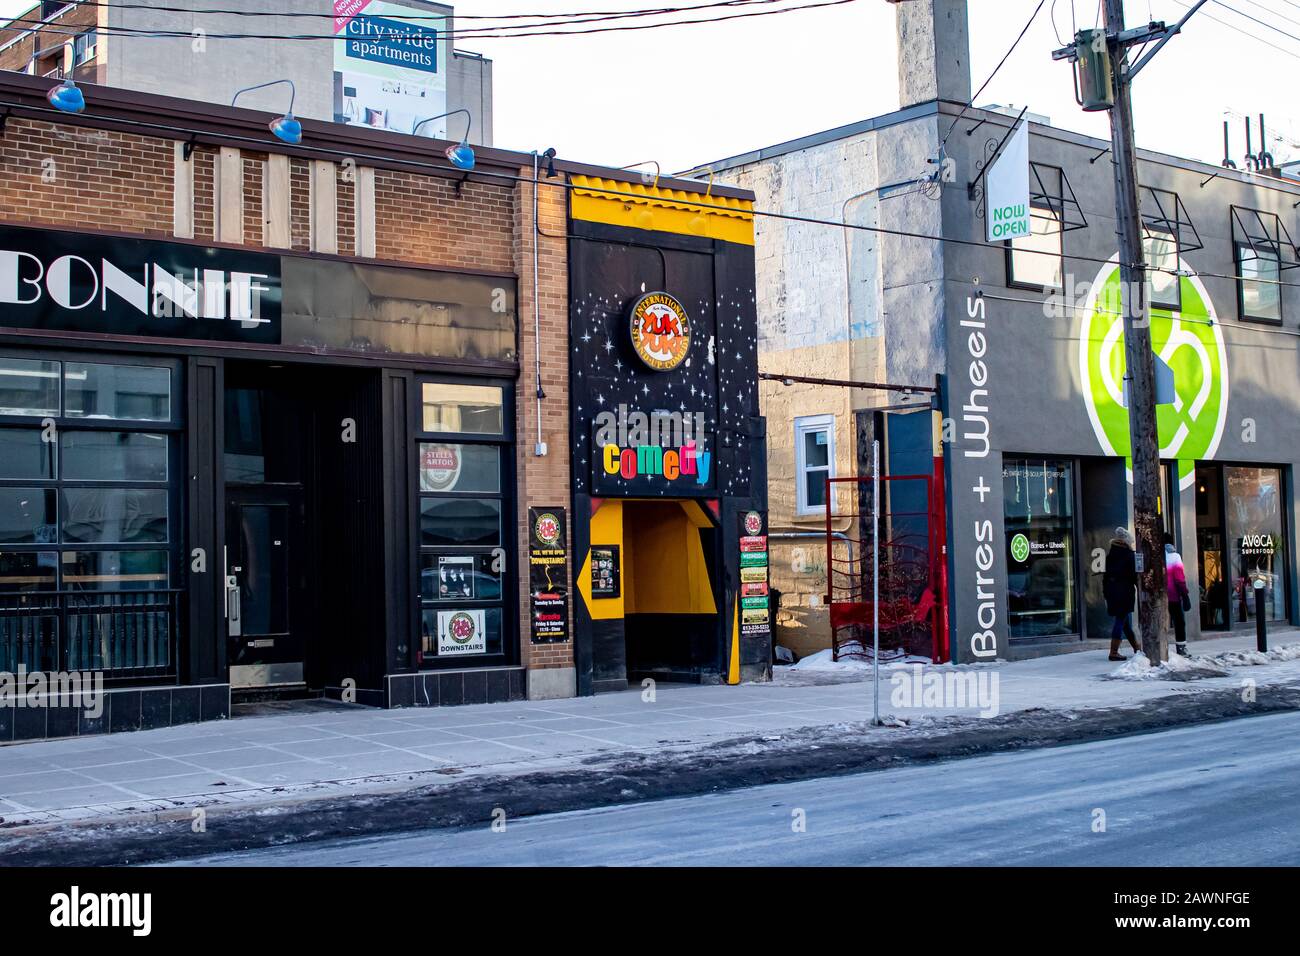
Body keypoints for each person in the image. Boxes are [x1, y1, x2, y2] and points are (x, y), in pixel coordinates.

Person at [1102, 526, 1139, 661]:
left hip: (1112, 592)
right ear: (1127, 542)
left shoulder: (1110, 556)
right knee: (1120, 620)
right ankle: (1113, 651)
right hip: (1125, 593)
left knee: (1125, 622)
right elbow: (1134, 576)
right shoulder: (1129, 556)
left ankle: (1137, 648)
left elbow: (1105, 577)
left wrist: (1106, 593)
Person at [1165, 532, 1191, 656]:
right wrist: (1185, 595)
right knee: (1179, 622)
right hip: (1173, 595)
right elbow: (1179, 579)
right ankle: (1181, 649)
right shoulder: (1174, 556)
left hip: (1158, 596)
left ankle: (1161, 648)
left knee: (1161, 623)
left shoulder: (1154, 556)